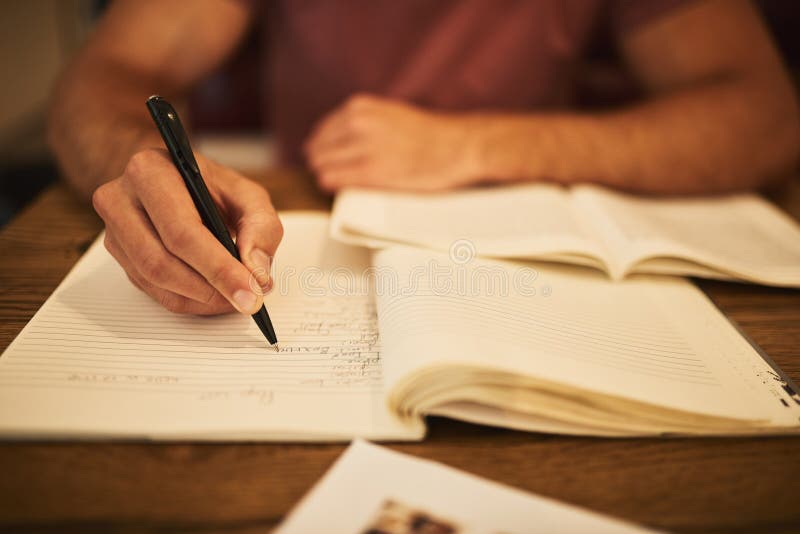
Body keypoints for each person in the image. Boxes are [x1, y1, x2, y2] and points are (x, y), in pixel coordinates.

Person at [48, 0, 799, 317]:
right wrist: (143, 160)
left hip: (538, 245)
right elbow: (109, 73)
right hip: (318, 221)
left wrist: (477, 144)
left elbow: (762, 115)